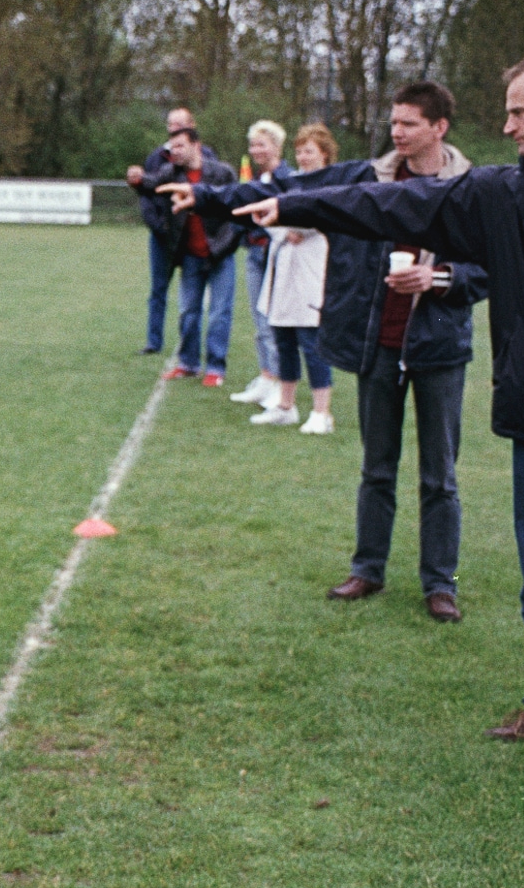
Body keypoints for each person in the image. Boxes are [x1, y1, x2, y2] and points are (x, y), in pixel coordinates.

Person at [230, 40, 524, 775]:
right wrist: (295, 202)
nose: (505, 126)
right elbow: (387, 201)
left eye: (518, 110)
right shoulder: (499, 195)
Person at [166, 81, 486, 622]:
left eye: (409, 123)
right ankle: (368, 570)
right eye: (394, 122)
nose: (397, 132)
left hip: (438, 349)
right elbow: (294, 191)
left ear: (439, 128)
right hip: (377, 346)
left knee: (440, 476)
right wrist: (208, 198)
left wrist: (441, 278)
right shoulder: (368, 177)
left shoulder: (472, 188)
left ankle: (441, 583)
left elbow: (487, 270)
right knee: (376, 467)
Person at [251, 124, 338, 434]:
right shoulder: (291, 184)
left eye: (309, 151)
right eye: (299, 151)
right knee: (283, 338)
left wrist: (285, 224)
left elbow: (306, 225)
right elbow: (269, 219)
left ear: (324, 155)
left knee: (310, 342)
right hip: (283, 269)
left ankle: (321, 412)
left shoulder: (329, 187)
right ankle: (286, 406)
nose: (302, 157)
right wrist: (281, 226)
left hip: (310, 272)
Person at [143, 128, 240, 382]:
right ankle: (188, 363)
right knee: (188, 311)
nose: (174, 152)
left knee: (220, 312)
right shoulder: (170, 173)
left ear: (196, 146)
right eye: (172, 147)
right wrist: (136, 179)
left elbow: (237, 208)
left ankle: (216, 368)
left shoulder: (222, 173)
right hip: (190, 256)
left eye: (179, 146)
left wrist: (228, 242)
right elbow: (150, 186)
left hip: (220, 253)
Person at [125, 107, 213, 357]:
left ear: (191, 126)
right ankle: (154, 341)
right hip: (163, 236)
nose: (174, 128)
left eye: (179, 124)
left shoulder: (207, 156)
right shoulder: (157, 157)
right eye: (170, 124)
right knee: (158, 290)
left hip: (192, 237)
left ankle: (192, 349)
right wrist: (157, 225)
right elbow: (148, 192)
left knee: (192, 298)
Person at [233, 120, 293, 397]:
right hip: (255, 254)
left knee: (275, 321)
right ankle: (266, 377)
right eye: (252, 144)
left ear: (276, 147)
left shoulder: (288, 178)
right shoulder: (256, 180)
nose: (255, 150)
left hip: (278, 256)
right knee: (259, 321)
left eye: (261, 144)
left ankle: (282, 383)